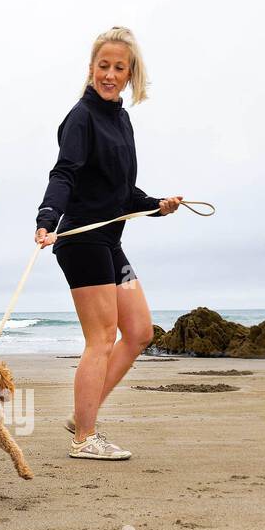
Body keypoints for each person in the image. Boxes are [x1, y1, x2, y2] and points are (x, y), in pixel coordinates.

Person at [35, 26, 181, 460]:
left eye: (119, 67)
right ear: (92, 68)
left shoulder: (122, 119)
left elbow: (122, 192)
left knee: (139, 332)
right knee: (100, 338)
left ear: (131, 73)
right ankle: (84, 437)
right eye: (103, 66)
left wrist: (157, 205)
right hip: (81, 241)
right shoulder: (81, 117)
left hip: (110, 241)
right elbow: (64, 173)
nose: (110, 74)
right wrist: (47, 217)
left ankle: (86, 411)